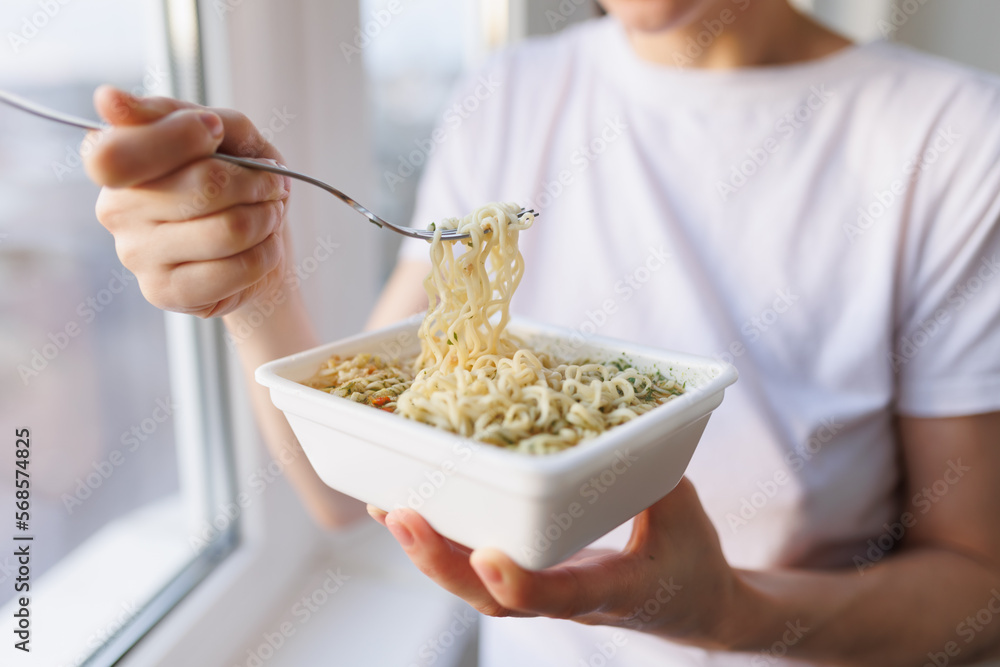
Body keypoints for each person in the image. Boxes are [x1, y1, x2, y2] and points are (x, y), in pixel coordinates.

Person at [83, 0, 1000, 664]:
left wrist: (726, 611)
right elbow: (354, 475)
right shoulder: (510, 92)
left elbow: (977, 586)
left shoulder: (954, 137)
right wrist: (256, 283)